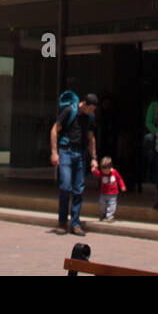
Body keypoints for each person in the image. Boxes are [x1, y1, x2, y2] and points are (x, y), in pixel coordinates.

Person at [51, 91, 98, 235]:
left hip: (80, 154)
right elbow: (54, 129)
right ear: (84, 103)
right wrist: (54, 152)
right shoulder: (70, 111)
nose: (92, 112)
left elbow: (91, 138)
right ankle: (62, 222)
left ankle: (75, 223)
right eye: (91, 108)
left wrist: (94, 158)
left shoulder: (90, 117)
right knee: (65, 185)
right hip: (66, 151)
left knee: (79, 189)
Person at [94, 156, 126, 222]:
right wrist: (94, 169)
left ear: (110, 167)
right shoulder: (101, 173)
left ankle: (110, 216)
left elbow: (119, 179)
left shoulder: (114, 172)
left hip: (113, 193)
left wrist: (122, 186)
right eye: (103, 170)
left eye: (106, 170)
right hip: (103, 193)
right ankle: (103, 213)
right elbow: (96, 173)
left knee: (112, 205)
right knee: (101, 203)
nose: (105, 172)